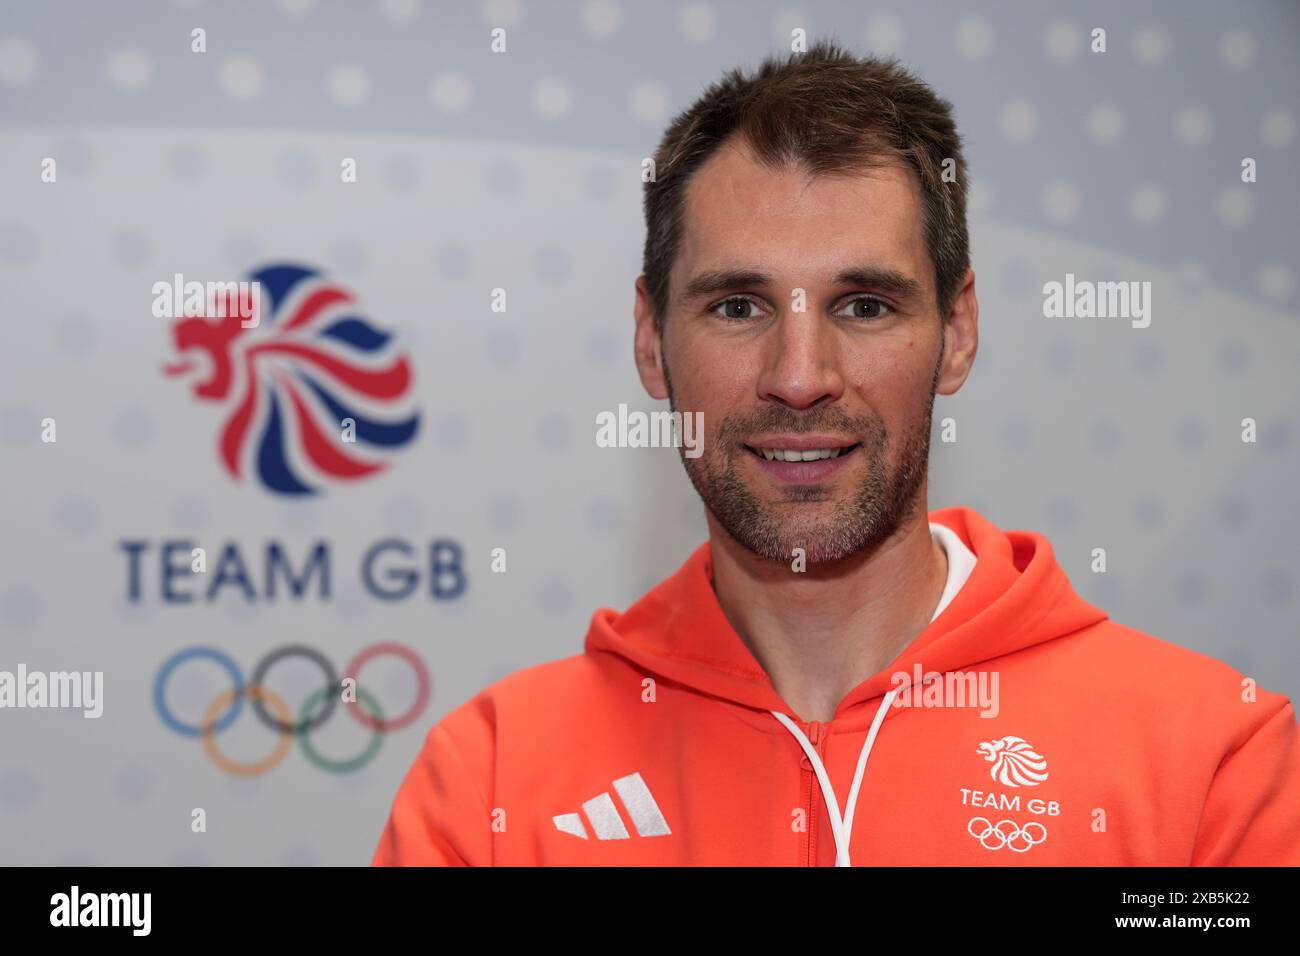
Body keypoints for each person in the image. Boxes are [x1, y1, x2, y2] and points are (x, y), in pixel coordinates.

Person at [373, 41, 1300, 866]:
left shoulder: (1212, 760)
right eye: (738, 306)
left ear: (959, 330)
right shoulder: (492, 782)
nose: (802, 376)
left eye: (865, 305)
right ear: (652, 342)